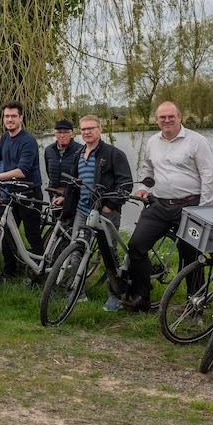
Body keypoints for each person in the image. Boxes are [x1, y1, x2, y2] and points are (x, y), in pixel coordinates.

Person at [125, 101, 213, 312]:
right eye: (162, 117)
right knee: (136, 245)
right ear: (156, 120)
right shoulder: (152, 141)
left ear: (180, 117)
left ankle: (195, 304)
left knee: (191, 255)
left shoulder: (197, 141)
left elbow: (209, 177)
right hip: (159, 204)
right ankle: (142, 297)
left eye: (171, 116)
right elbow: (148, 168)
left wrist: (203, 211)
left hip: (190, 204)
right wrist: (144, 187)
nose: (166, 120)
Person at [59, 115, 133, 310]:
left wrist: (110, 204)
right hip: (83, 211)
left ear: (100, 129)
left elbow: (125, 184)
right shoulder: (79, 154)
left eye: (91, 128)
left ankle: (114, 296)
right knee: (77, 250)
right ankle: (77, 292)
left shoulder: (113, 154)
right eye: (83, 129)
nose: (87, 132)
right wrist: (68, 201)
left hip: (105, 212)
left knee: (109, 254)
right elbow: (74, 183)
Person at [0, 101, 44, 281]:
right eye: (7, 116)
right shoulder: (5, 137)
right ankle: (10, 272)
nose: (10, 119)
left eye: (14, 116)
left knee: (32, 235)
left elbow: (22, 171)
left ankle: (39, 273)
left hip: (29, 194)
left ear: (21, 118)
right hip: (11, 193)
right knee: (5, 233)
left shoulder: (28, 140)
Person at [44, 119, 83, 200]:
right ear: (55, 134)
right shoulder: (49, 150)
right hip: (53, 192)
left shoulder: (80, 150)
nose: (62, 135)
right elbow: (48, 172)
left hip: (73, 195)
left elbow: (82, 178)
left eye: (66, 132)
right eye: (59, 132)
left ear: (72, 134)